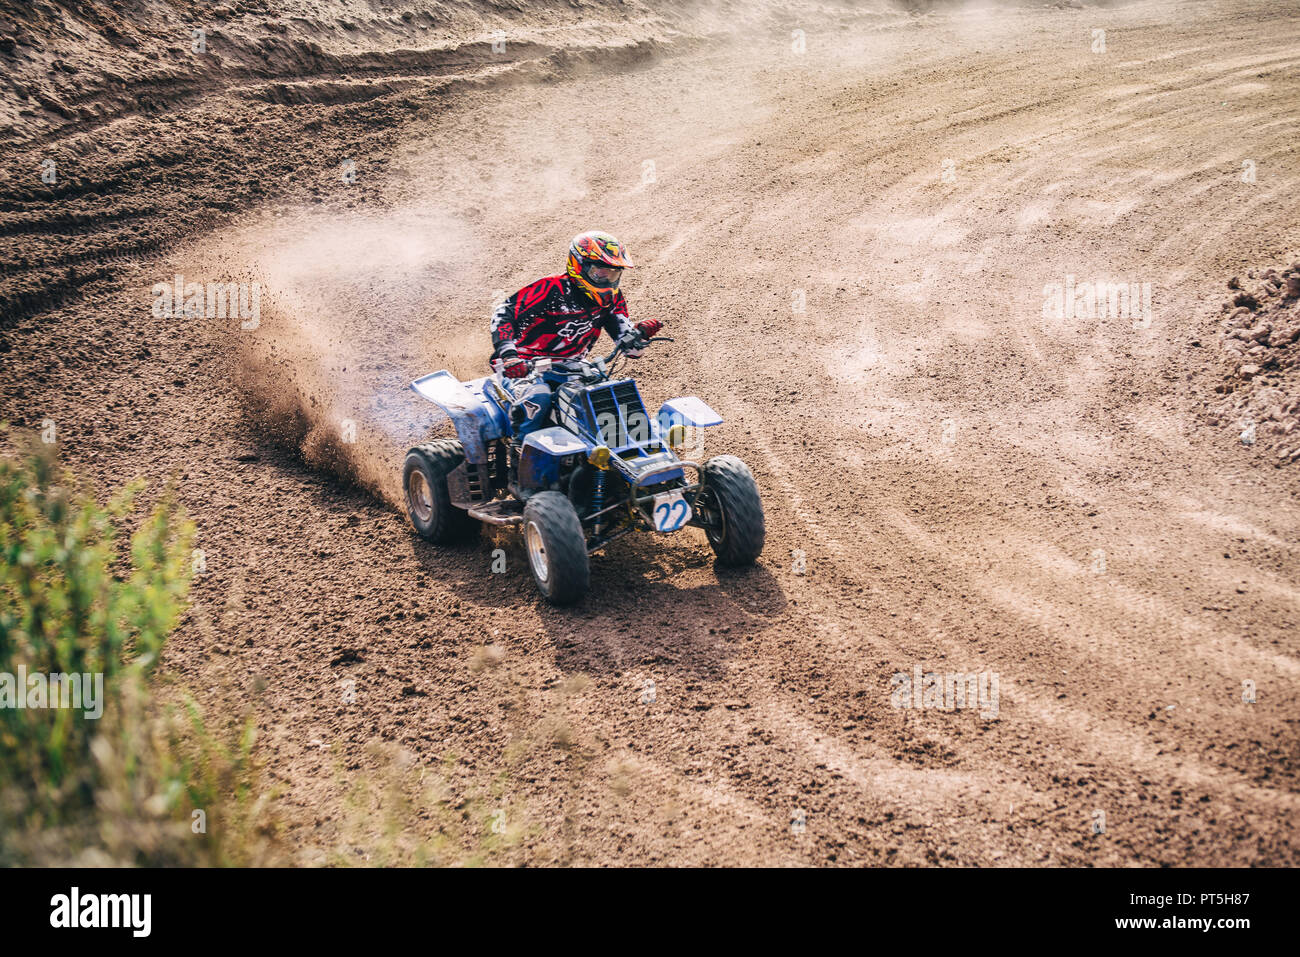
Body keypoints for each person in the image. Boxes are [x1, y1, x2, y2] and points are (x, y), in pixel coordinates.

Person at [489, 231, 662, 436]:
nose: (607, 279)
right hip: (523, 365)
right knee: (538, 396)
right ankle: (520, 450)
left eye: (613, 273)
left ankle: (626, 452)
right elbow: (504, 313)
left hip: (572, 366)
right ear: (579, 265)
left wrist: (640, 335)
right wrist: (509, 356)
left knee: (611, 396)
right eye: (600, 271)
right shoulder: (552, 289)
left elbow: (631, 350)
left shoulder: (611, 299)